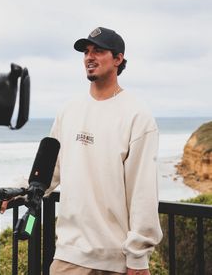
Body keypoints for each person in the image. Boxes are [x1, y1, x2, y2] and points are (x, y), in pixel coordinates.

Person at [48, 27, 163, 275]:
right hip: (69, 256)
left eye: (98, 51)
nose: (89, 57)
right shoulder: (69, 111)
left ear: (118, 59)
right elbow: (49, 169)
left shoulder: (137, 115)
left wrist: (138, 258)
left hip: (117, 260)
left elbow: (142, 191)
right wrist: (19, 191)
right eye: (86, 52)